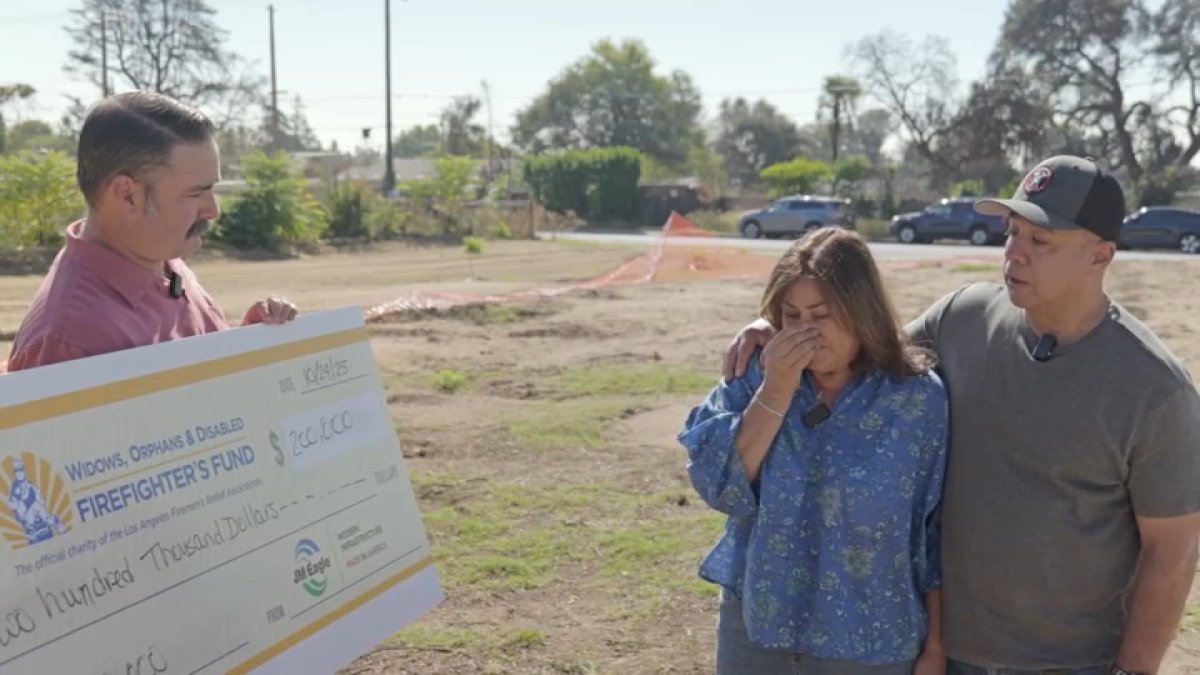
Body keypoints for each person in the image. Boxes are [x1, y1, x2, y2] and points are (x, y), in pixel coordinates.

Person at [723, 156, 1200, 674]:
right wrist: (774, 323)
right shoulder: (963, 318)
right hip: (949, 654)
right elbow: (862, 352)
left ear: (1101, 254)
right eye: (1012, 232)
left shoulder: (1154, 389)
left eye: (1041, 241)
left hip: (1070, 663)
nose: (1015, 253)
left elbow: (1171, 555)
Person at [680, 227, 949, 674]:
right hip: (759, 635)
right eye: (792, 315)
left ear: (861, 310)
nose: (806, 331)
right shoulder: (754, 373)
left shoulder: (916, 401)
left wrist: (936, 646)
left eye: (822, 315)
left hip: (870, 641)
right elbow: (717, 485)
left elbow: (935, 532)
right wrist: (775, 390)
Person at [6, 91, 297, 372]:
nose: (213, 210)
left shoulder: (163, 262)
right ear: (127, 195)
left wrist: (250, 338)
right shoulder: (69, 341)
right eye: (196, 194)